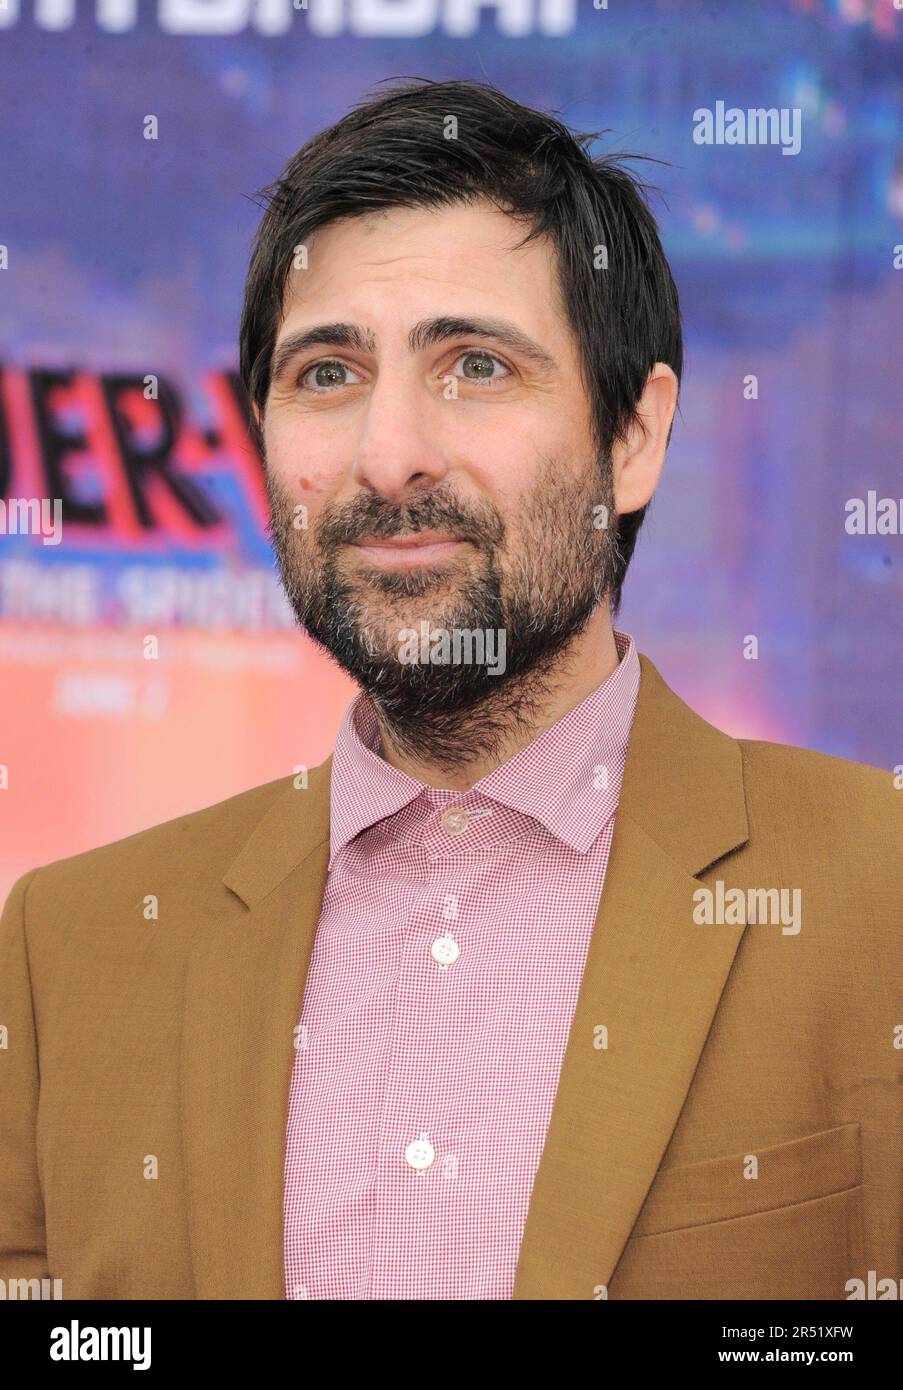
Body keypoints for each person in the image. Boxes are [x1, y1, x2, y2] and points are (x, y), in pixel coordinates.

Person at [1, 78, 899, 1302]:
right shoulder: (67, 951)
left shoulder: (875, 890)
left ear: (632, 437)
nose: (387, 453)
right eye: (326, 373)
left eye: (474, 365)